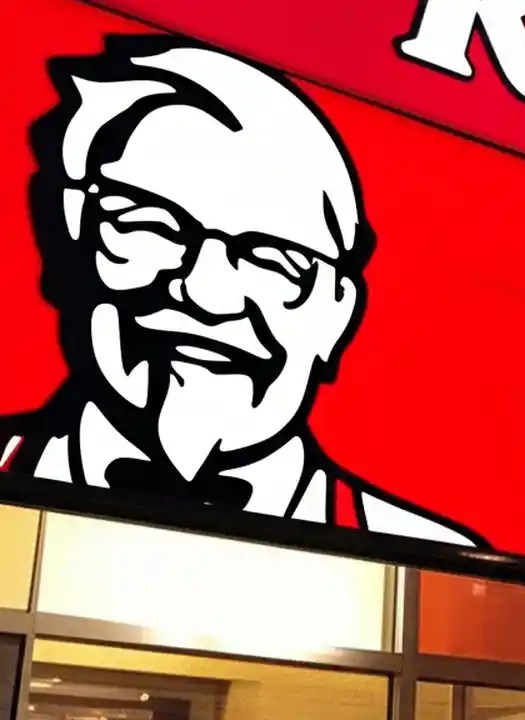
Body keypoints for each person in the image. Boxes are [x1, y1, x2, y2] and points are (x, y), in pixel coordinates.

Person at [0, 34, 487, 548]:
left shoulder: (427, 554)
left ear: (338, 314)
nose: (209, 294)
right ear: (68, 236)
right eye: (151, 227)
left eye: (274, 260)